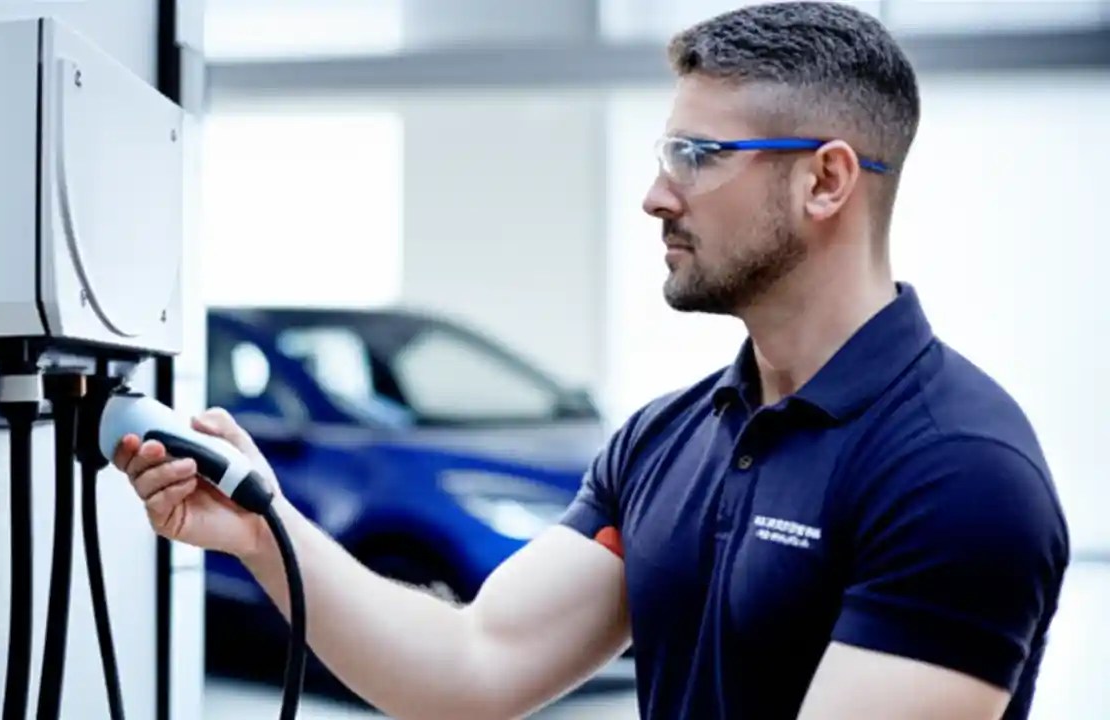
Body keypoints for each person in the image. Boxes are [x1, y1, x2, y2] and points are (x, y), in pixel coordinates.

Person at [114, 2, 1069, 718]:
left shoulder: (958, 474)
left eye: (697, 154)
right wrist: (263, 530)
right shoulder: (665, 439)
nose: (657, 195)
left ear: (825, 180)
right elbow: (472, 664)